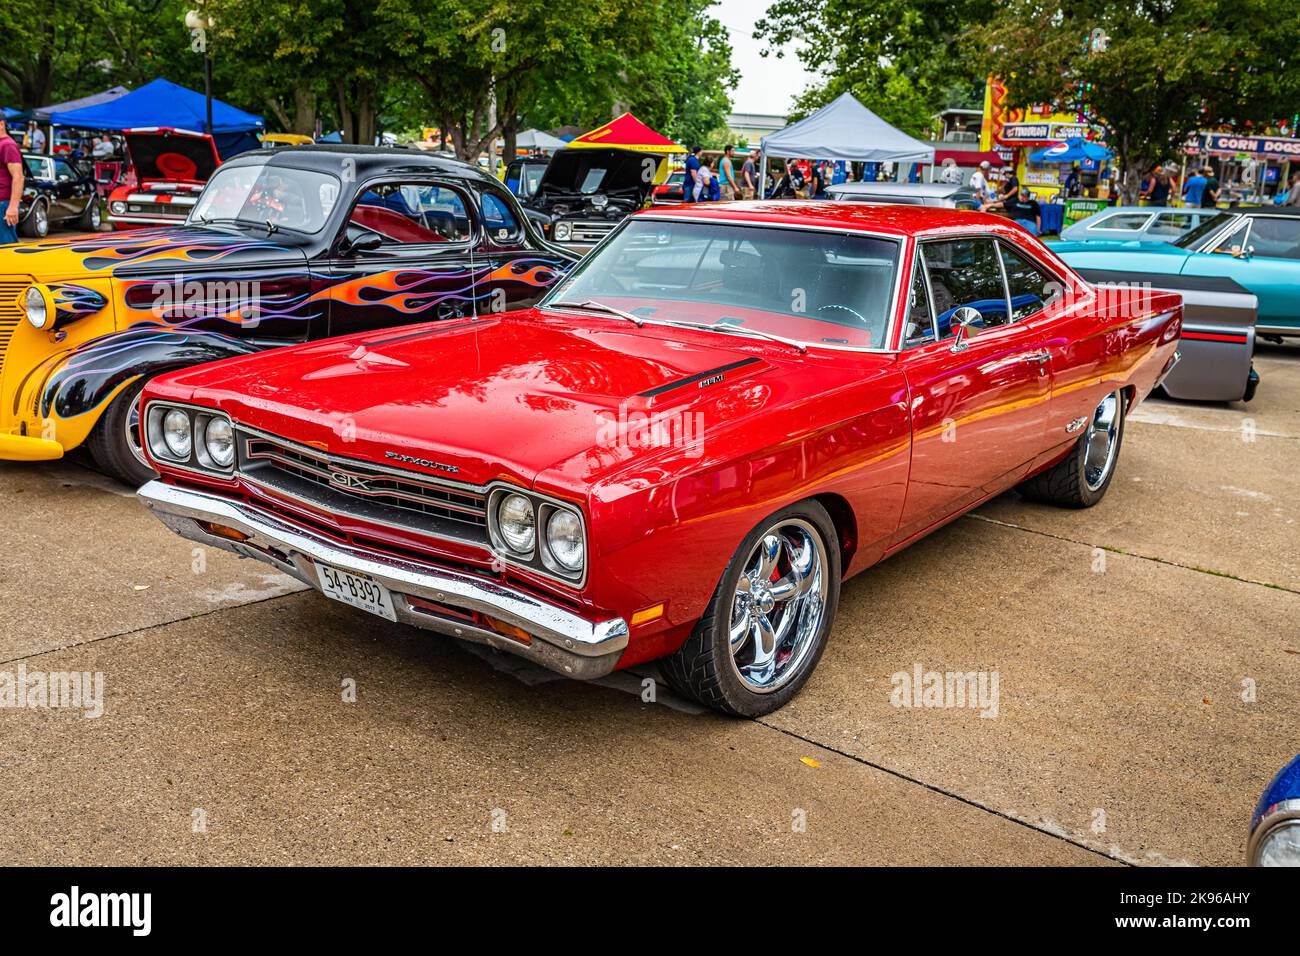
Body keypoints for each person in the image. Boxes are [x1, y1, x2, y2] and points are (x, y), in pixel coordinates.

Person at [0, 116, 24, 244]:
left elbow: (18, 177)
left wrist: (13, 207)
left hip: (3, 205)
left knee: (6, 248)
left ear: (1, 124)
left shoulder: (8, 145)